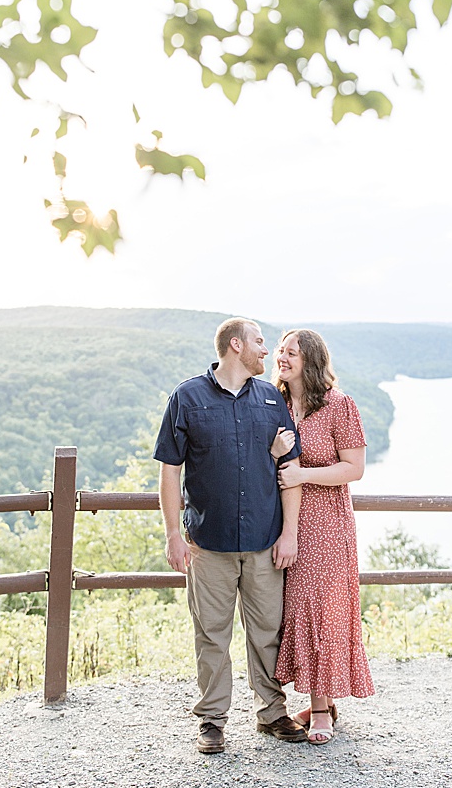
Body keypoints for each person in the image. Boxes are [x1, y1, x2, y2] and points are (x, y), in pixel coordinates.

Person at [155, 317, 306, 754]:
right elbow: (169, 472)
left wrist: (290, 534)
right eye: (260, 342)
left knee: (267, 632)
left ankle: (272, 713)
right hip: (208, 543)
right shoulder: (187, 397)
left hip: (264, 540)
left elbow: (289, 472)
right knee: (212, 635)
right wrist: (172, 535)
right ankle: (212, 721)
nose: (267, 352)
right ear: (236, 345)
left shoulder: (271, 400)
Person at [270, 329, 373, 744]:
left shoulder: (338, 405)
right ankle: (322, 699)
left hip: (326, 524)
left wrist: (302, 474)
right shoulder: (273, 403)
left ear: (309, 360)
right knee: (293, 610)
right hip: (281, 522)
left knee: (321, 611)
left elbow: (354, 468)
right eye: (280, 349)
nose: (281, 357)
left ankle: (319, 710)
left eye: (291, 352)